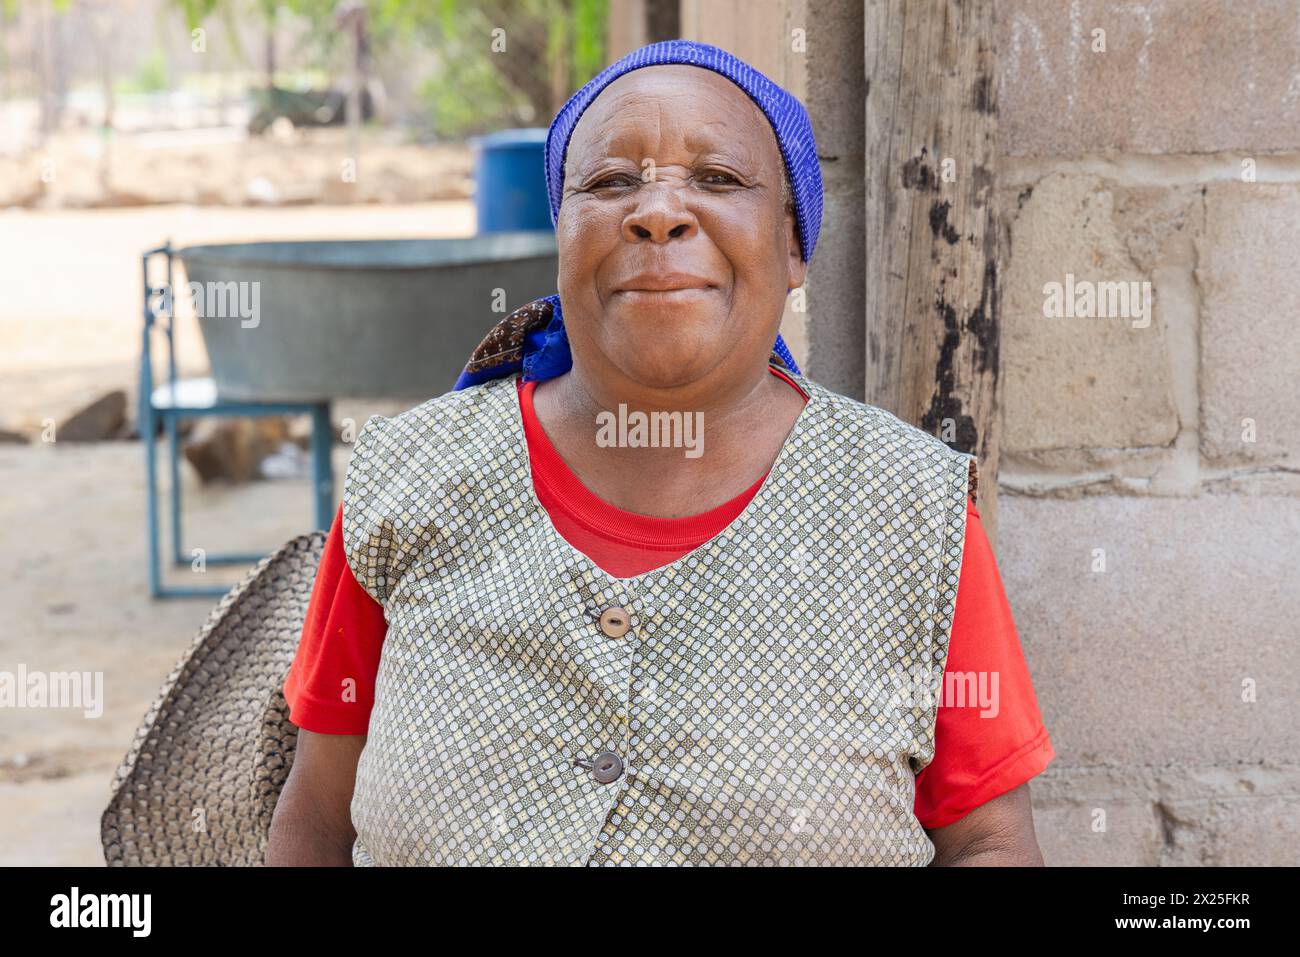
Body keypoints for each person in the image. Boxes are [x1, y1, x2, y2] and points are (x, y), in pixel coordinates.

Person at [268, 39, 1053, 866]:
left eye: (717, 179)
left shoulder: (910, 513)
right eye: (611, 183)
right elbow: (319, 817)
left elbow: (989, 842)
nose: (657, 213)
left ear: (793, 247)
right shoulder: (413, 479)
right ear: (562, 236)